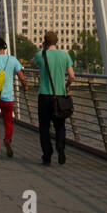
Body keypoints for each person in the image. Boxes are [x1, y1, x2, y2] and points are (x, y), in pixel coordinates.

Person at [32, 30, 74, 165]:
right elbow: (72, 76)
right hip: (60, 96)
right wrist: (66, 85)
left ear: (45, 41)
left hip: (44, 96)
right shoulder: (65, 56)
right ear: (57, 41)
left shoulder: (41, 55)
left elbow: (32, 63)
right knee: (60, 125)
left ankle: (47, 155)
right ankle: (60, 147)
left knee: (44, 127)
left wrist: (43, 50)